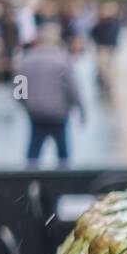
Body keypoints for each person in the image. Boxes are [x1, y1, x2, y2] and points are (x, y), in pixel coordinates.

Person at [15, 24, 84, 165]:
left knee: (34, 150)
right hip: (59, 113)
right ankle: (64, 181)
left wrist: (28, 106)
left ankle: (29, 180)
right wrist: (80, 109)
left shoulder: (24, 63)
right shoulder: (63, 61)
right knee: (62, 150)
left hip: (35, 113)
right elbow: (72, 89)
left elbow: (17, 91)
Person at [90, 1, 122, 99]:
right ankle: (104, 83)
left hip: (110, 48)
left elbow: (115, 34)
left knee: (108, 68)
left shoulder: (114, 22)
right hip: (102, 47)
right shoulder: (100, 22)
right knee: (103, 68)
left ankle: (107, 84)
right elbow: (93, 33)